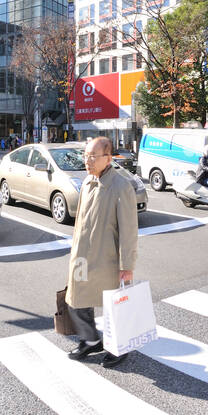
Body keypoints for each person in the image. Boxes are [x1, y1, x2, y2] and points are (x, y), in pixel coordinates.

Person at [60, 137, 142, 367]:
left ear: (108, 158)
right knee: (76, 299)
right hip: (82, 256)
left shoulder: (121, 186)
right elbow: (80, 223)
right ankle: (90, 339)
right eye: (86, 155)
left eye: (93, 156)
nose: (87, 160)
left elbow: (129, 230)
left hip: (108, 258)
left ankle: (119, 347)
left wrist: (127, 265)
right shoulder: (87, 182)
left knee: (114, 303)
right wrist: (74, 249)